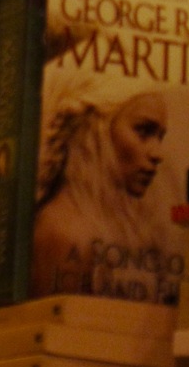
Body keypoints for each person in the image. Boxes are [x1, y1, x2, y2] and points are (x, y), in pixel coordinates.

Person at [30, 81, 180, 302]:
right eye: (143, 131)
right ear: (96, 130)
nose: (158, 153)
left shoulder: (108, 223)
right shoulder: (65, 234)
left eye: (160, 136)